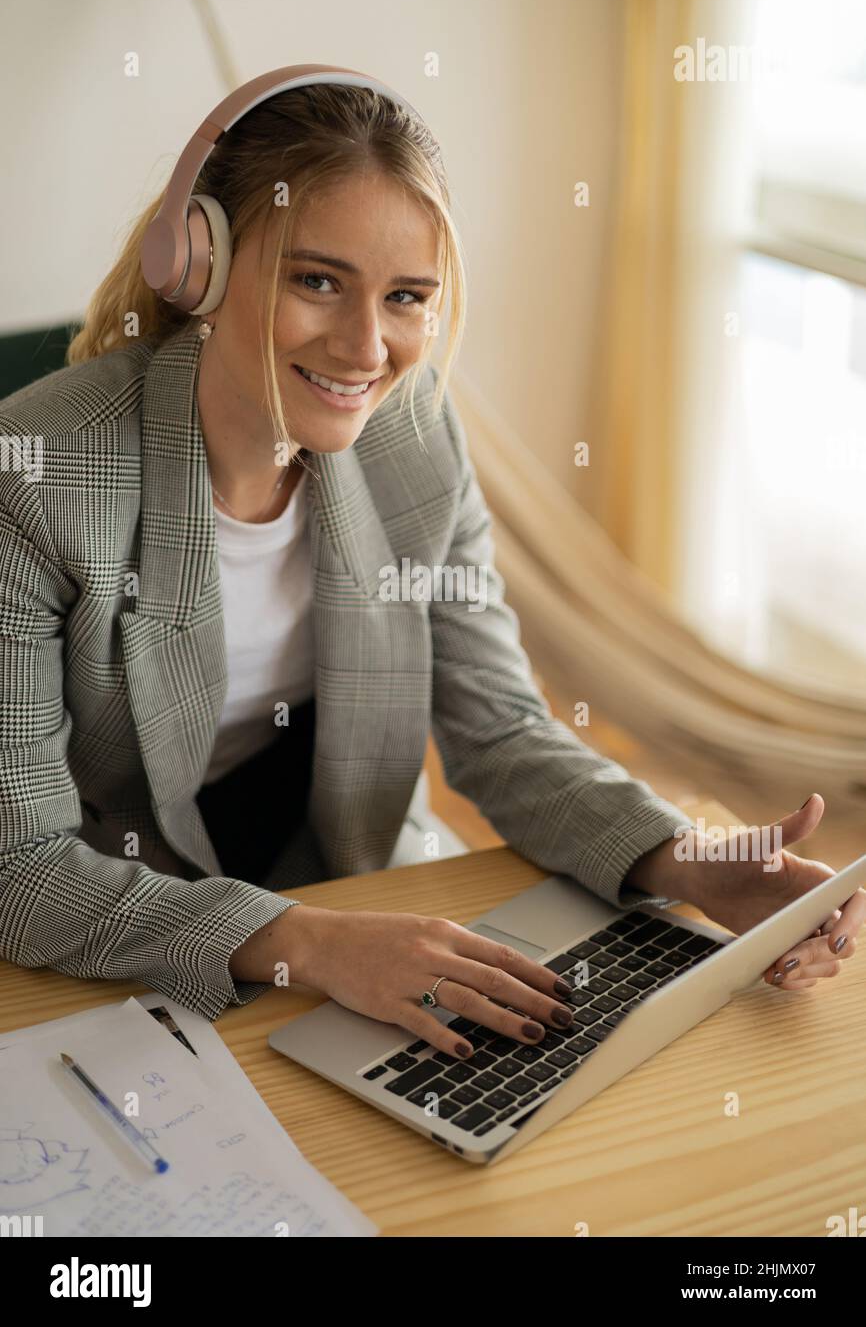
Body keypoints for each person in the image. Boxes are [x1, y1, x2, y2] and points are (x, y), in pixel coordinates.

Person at [1, 68, 862, 1059]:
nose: (366, 347)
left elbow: (496, 729)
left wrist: (690, 860)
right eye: (315, 280)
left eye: (406, 297)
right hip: (115, 913)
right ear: (200, 263)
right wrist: (306, 943)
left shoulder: (413, 443)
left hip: (356, 867)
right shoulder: (36, 481)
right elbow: (19, 862)